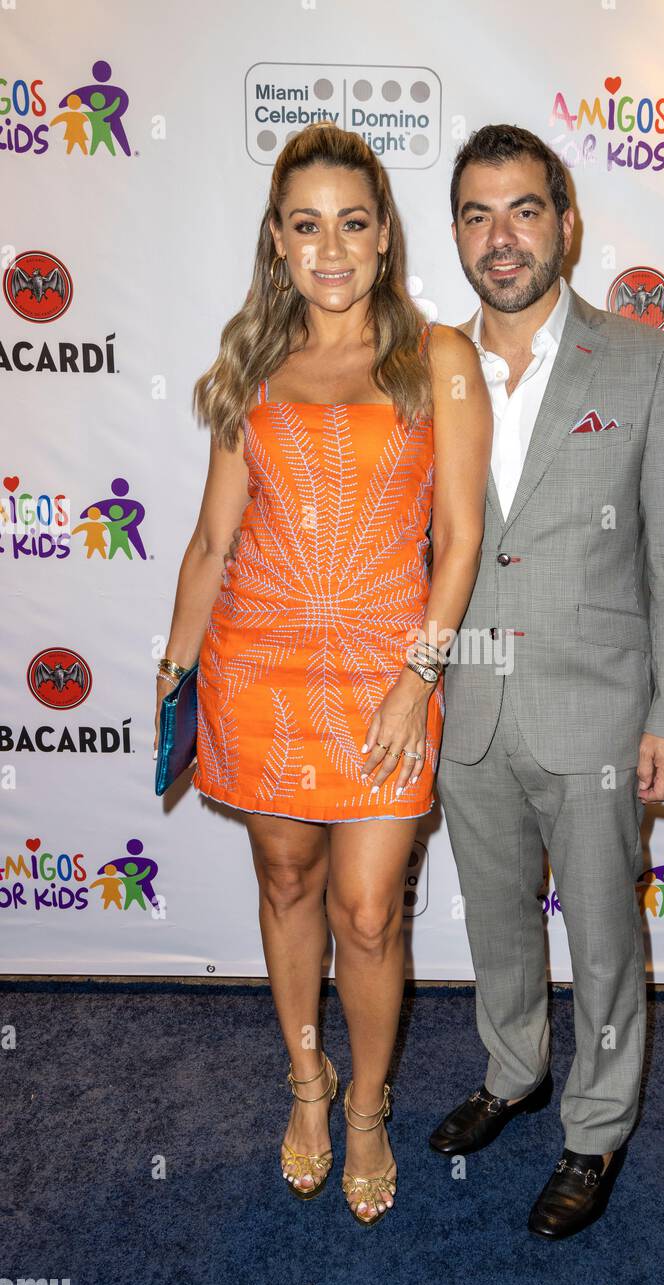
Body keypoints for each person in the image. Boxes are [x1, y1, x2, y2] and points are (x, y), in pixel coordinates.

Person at [154, 122, 491, 1226]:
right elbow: (212, 542)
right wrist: (176, 667)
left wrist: (416, 678)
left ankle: (366, 1109)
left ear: (384, 236)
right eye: (308, 225)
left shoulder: (437, 359)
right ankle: (308, 1080)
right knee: (288, 884)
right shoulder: (249, 362)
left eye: (353, 222)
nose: (331, 247)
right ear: (278, 240)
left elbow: (459, 534)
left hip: (387, 676)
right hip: (260, 668)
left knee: (368, 910)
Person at [428, 125, 664, 1240]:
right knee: (497, 920)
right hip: (469, 701)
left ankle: (595, 1129)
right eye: (475, 214)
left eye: (523, 211)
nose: (500, 239)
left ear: (565, 222)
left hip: (598, 706)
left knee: (602, 934)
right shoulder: (424, 366)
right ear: (455, 231)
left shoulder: (646, 362)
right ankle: (514, 1072)